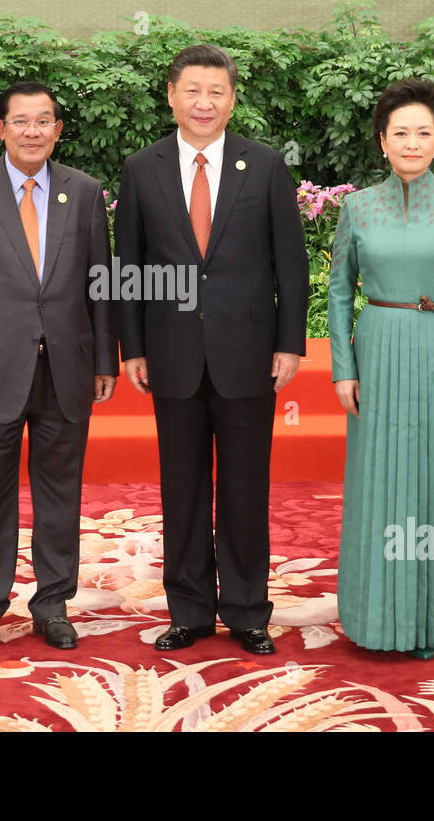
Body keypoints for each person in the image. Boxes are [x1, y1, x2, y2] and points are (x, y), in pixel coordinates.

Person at [114, 44, 309, 656]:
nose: (204, 102)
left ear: (231, 99)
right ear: (171, 95)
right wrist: (133, 345)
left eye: (216, 92)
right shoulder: (141, 169)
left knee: (247, 488)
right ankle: (190, 611)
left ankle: (249, 610)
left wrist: (290, 342)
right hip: (171, 353)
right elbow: (130, 266)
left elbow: (291, 262)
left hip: (249, 352)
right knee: (184, 488)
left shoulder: (266, 165)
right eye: (192, 90)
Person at [0, 81, 118, 653]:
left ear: (58, 130)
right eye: (22, 121)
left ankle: (53, 604)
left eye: (44, 121)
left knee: (59, 491)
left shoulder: (84, 193)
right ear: (2, 129)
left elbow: (100, 284)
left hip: (68, 367)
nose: (33, 131)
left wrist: (104, 356)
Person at [327, 77, 434, 660]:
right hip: (376, 347)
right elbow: (337, 292)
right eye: (401, 132)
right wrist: (342, 368)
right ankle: (375, 615)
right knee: (378, 478)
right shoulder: (356, 207)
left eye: (423, 132)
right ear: (382, 141)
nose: (412, 142)